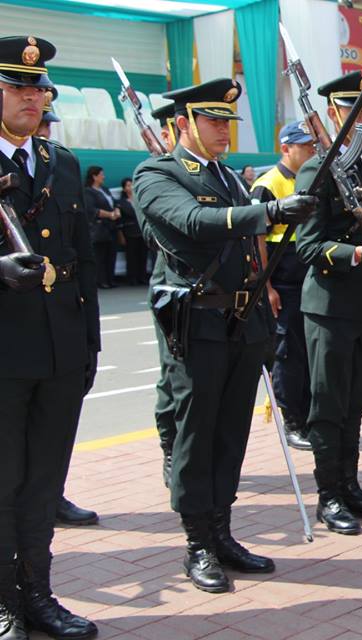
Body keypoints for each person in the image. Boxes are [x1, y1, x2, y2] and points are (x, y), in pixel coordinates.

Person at [134, 78, 317, 592]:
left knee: (231, 432)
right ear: (182, 124)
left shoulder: (229, 177)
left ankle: (222, 532)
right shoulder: (158, 174)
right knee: (197, 434)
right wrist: (271, 211)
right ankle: (197, 543)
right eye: (213, 121)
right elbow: (194, 221)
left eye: (226, 122)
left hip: (241, 322)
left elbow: (249, 246)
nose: (223, 130)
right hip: (197, 324)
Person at [0, 35, 101, 640]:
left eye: (38, 89)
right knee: (2, 482)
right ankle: (4, 603)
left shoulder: (59, 163)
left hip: (60, 349)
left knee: (43, 482)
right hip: (3, 355)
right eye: (16, 86)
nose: (31, 97)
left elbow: (82, 260)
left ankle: (38, 593)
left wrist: (89, 344)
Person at [295, 71, 362, 535]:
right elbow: (307, 246)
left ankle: (350, 486)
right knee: (328, 404)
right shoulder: (315, 170)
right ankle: (329, 496)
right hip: (330, 306)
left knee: (356, 402)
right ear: (332, 113)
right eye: (353, 110)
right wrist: (358, 255)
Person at [250, 121, 317, 451]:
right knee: (288, 356)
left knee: (309, 355)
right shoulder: (267, 185)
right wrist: (267, 288)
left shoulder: (313, 179)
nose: (311, 151)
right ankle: (292, 422)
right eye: (304, 146)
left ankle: (308, 417)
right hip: (284, 284)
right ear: (286, 148)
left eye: (312, 145)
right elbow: (257, 239)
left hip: (310, 282)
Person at [145, 101, 178, 486]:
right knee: (172, 371)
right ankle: (171, 446)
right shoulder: (154, 176)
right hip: (169, 286)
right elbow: (154, 235)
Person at [83, 165, 120, 289]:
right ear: (94, 176)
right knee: (100, 256)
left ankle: (110, 279)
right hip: (99, 228)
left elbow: (114, 202)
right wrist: (110, 215)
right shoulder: (88, 191)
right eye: (101, 174)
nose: (103, 177)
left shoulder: (105, 189)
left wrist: (116, 210)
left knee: (111, 255)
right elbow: (91, 210)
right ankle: (101, 280)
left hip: (111, 227)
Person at [117, 177, 147, 285]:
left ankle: (142, 276)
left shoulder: (140, 199)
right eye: (128, 185)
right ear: (124, 188)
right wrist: (121, 234)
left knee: (143, 256)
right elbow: (120, 220)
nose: (131, 187)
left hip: (142, 231)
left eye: (132, 185)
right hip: (129, 232)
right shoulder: (121, 202)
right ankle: (132, 277)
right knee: (131, 256)